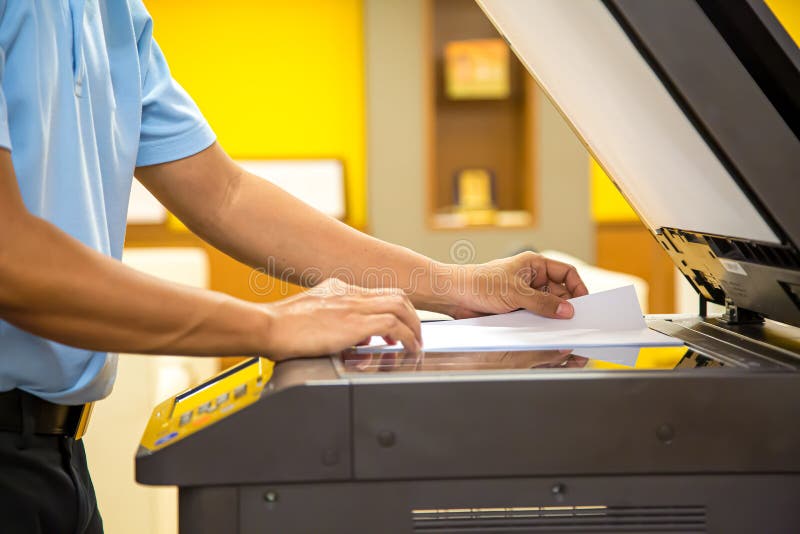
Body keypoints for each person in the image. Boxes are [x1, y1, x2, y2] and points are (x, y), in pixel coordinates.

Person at [0, 2, 588, 533]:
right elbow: (10, 257)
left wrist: (457, 285)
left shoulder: (114, 13)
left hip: (55, 456)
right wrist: (268, 326)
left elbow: (222, 193)